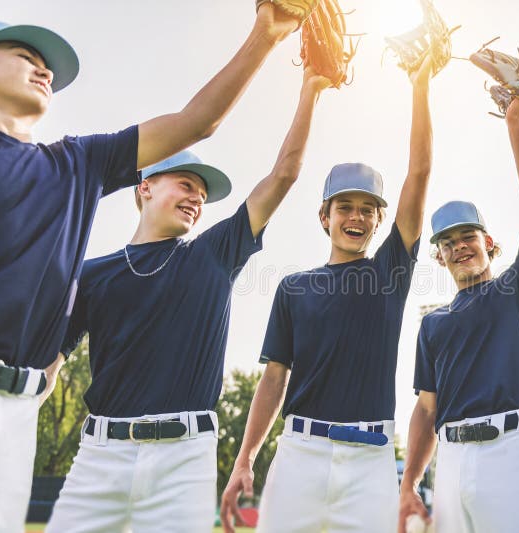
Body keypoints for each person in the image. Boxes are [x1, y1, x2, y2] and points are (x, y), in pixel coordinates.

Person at [0, 7, 298, 532]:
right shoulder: (98, 267)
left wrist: (268, 33)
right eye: (24, 55)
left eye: (48, 66)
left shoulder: (75, 164)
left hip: (12, 414)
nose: (45, 70)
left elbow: (199, 122)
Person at [44, 65, 330, 532]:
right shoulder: (92, 275)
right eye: (186, 184)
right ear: (145, 187)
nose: (197, 198)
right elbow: (53, 364)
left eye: (202, 193)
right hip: (100, 456)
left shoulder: (214, 254)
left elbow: (283, 176)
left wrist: (311, 90)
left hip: (183, 460)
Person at [219, 56, 435, 533]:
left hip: (371, 461)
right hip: (299, 456)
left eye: (366, 210)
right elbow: (274, 379)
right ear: (325, 216)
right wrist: (245, 459)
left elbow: (418, 173)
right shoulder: (294, 288)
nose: (355, 217)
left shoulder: (389, 274)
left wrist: (419, 86)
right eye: (344, 207)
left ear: (379, 222)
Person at [398, 94, 519, 533]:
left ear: (489, 241)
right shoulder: (433, 324)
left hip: (513, 450)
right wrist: (409, 481)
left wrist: (515, 123)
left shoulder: (518, 289)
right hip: (451, 461)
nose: (459, 246)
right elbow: (426, 409)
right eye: (448, 243)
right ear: (439, 258)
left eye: (468, 235)